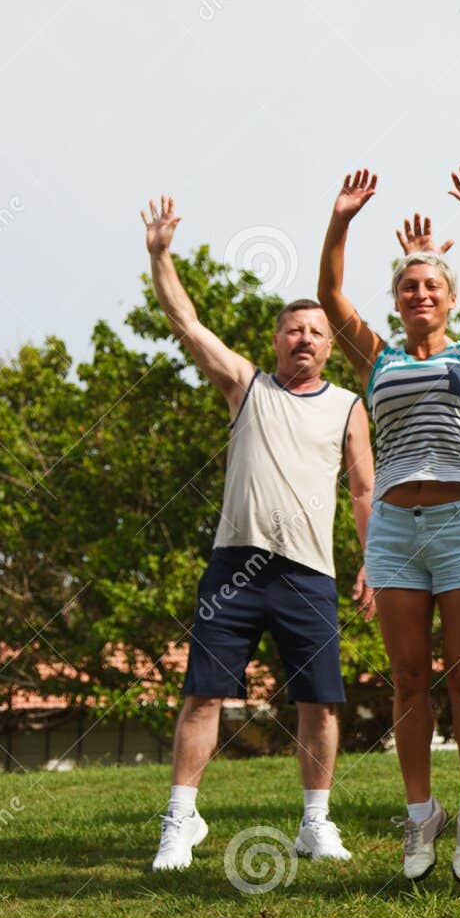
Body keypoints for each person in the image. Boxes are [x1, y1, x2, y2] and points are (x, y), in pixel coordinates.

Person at [142, 195, 375, 873]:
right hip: (234, 567)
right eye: (292, 329)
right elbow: (186, 323)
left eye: (315, 331)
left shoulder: (347, 406)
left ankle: (314, 823)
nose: (303, 338)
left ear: (331, 346)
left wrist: (372, 561)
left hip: (309, 572)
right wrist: (160, 256)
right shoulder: (246, 387)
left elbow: (363, 489)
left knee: (321, 703)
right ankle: (180, 820)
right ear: (276, 340)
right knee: (203, 694)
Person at [317, 166, 460, 884]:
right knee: (408, 677)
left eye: (432, 284)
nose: (420, 293)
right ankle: (419, 812)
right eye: (408, 286)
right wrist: (342, 219)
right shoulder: (377, 355)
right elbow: (328, 297)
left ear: (449, 298)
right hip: (397, 531)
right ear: (399, 302)